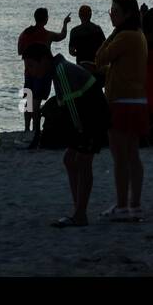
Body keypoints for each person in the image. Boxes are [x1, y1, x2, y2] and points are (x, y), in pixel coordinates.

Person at [24, 44, 108, 228]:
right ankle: (79, 209)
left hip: (92, 118)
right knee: (70, 159)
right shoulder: (58, 69)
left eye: (31, 66)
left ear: (44, 60)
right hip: (85, 117)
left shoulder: (61, 71)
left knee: (82, 161)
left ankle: (80, 214)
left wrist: (77, 130)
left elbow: (71, 105)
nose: (29, 71)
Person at [95, 0, 149, 221]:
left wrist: (113, 33)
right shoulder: (139, 35)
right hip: (136, 100)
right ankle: (133, 204)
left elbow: (100, 57)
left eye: (115, 11)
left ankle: (122, 205)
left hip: (121, 102)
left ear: (127, 14)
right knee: (132, 155)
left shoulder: (125, 35)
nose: (111, 14)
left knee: (120, 157)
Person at [17, 8, 70, 145]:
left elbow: (19, 51)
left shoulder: (25, 34)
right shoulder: (47, 35)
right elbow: (62, 35)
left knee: (28, 99)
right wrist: (65, 23)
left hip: (28, 71)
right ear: (45, 19)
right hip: (43, 72)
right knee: (36, 100)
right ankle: (36, 129)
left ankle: (27, 128)